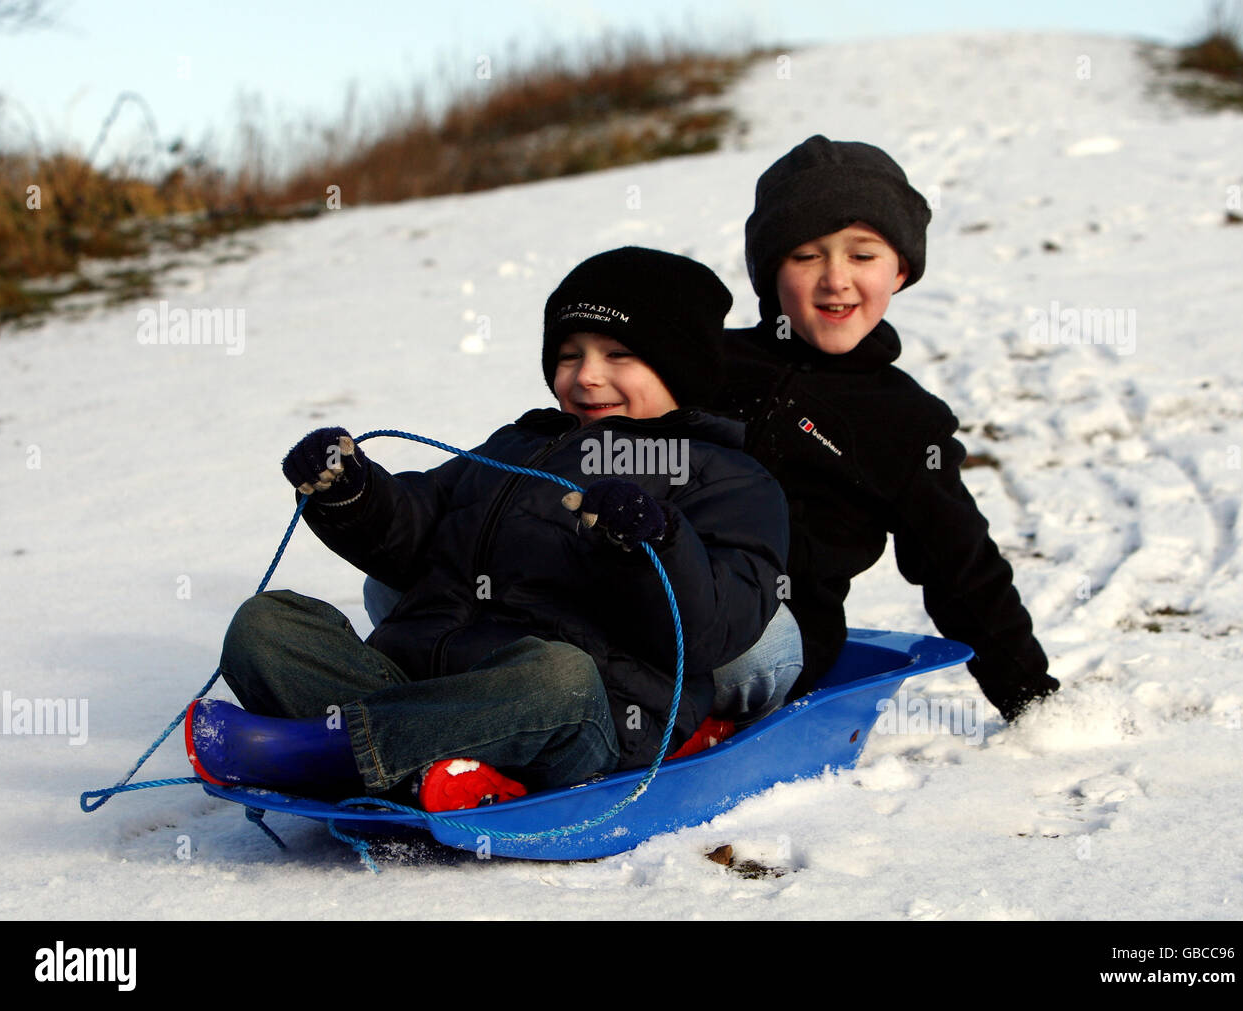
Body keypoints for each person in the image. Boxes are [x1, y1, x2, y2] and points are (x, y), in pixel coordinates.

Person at [185, 247, 791, 812]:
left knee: (556, 675)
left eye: (617, 355)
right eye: (569, 355)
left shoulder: (730, 479)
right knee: (266, 625)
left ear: (679, 367)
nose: (586, 376)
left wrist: (653, 541)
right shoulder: (520, 445)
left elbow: (712, 629)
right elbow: (416, 531)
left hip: (586, 714)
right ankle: (434, 765)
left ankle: (325, 753)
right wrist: (353, 494)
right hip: (428, 680)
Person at [711, 135, 1059, 722]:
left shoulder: (904, 422)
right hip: (658, 597)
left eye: (862, 255)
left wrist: (1029, 697)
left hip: (772, 644)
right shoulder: (708, 365)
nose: (835, 279)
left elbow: (962, 569)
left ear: (900, 270)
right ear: (770, 272)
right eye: (807, 256)